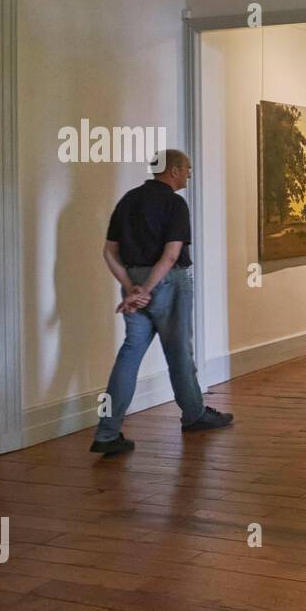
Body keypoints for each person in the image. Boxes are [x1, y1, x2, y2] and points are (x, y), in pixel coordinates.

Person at [91, 150, 232, 454]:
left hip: (135, 281)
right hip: (167, 282)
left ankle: (106, 432)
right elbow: (170, 255)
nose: (190, 175)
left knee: (128, 357)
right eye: (188, 169)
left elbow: (108, 251)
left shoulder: (128, 200)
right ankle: (193, 415)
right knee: (179, 351)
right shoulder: (175, 203)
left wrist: (132, 289)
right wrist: (147, 291)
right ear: (174, 170)